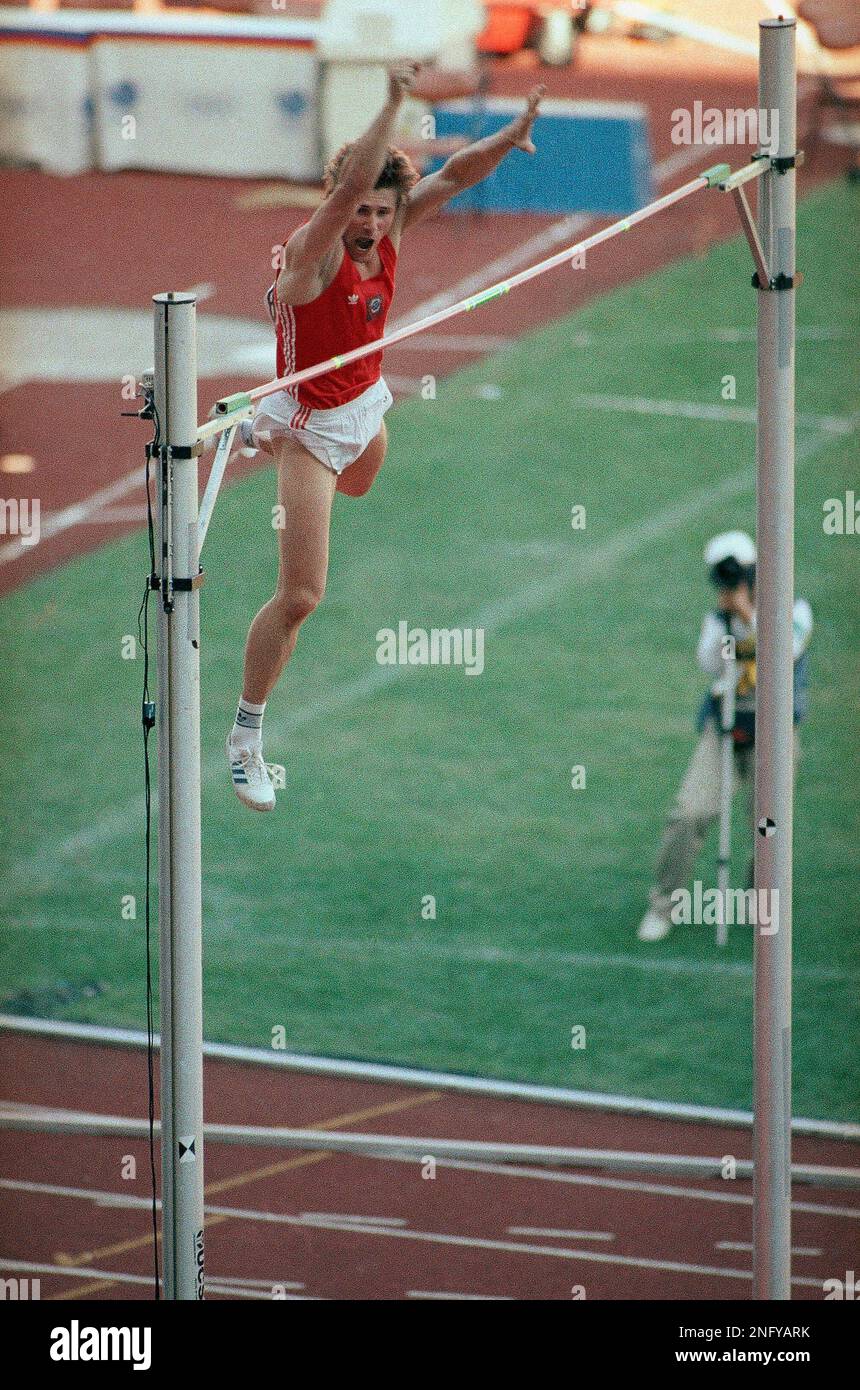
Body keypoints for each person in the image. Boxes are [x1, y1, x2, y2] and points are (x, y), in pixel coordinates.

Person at [227, 64, 546, 809]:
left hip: (365, 403)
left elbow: (456, 175)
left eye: (381, 211)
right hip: (310, 424)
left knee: (366, 481)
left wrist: (512, 134)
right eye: (360, 210)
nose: (370, 224)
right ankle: (246, 735)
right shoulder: (318, 251)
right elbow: (342, 196)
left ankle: (261, 435)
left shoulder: (393, 226)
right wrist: (395, 101)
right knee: (303, 594)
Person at [636, 531, 813, 942]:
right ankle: (665, 904)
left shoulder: (795, 610)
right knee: (688, 813)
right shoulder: (716, 621)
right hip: (726, 729)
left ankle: (760, 903)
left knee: (768, 825)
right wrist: (729, 624)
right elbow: (708, 664)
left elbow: (784, 651)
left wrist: (750, 616)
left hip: (775, 733)